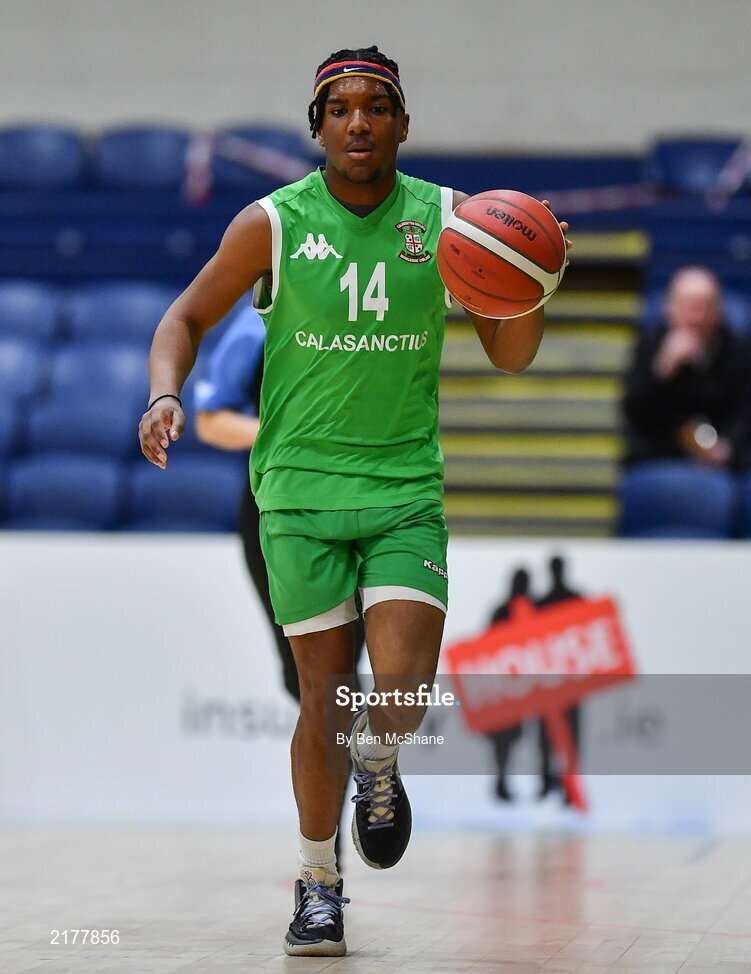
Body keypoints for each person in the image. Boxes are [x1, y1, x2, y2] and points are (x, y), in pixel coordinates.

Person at [139, 44, 571, 957]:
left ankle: (380, 756)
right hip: (297, 496)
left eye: (375, 106)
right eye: (339, 109)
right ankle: (316, 885)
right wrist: (164, 393)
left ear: (403, 123)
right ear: (318, 128)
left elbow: (510, 356)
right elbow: (183, 317)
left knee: (401, 692)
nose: (358, 122)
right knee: (322, 701)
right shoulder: (271, 223)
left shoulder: (452, 221)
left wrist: (532, 281)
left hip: (402, 490)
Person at [193, 304, 366, 866]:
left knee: (341, 679)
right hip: (280, 507)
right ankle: (328, 841)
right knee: (308, 679)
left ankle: (334, 839)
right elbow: (211, 419)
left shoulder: (379, 299)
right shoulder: (260, 316)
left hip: (371, 497)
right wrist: (288, 435)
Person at [623, 266, 751, 471]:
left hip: (726, 460)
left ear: (719, 311)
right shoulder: (650, 345)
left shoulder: (737, 349)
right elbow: (634, 413)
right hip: (660, 454)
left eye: (705, 307)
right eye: (687, 307)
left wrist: (727, 447)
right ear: (668, 308)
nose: (696, 318)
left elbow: (743, 412)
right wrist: (663, 370)